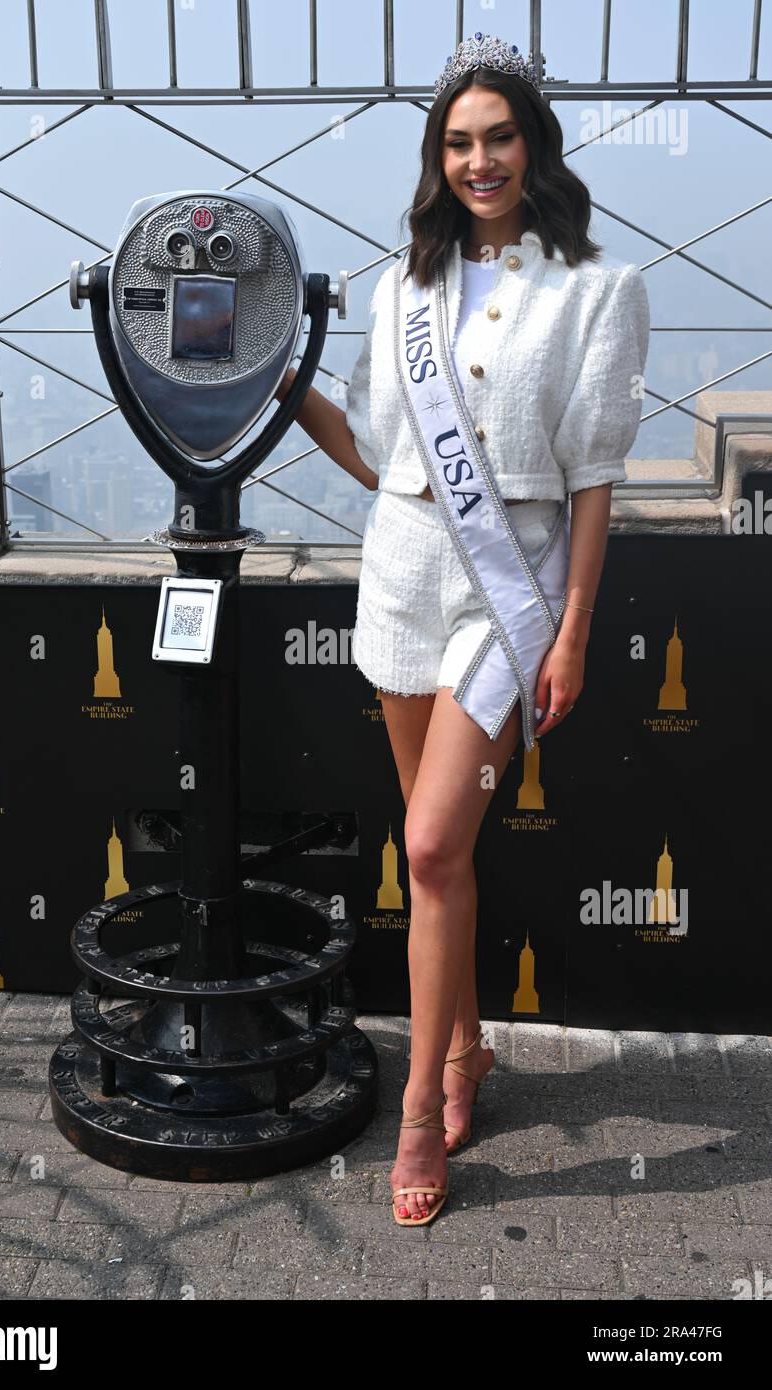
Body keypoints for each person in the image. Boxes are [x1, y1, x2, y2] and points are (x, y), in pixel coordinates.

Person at [275, 33, 650, 1226]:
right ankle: (463, 1049)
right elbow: (382, 453)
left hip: (510, 590)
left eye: (496, 136)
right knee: (438, 860)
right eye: (455, 141)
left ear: (530, 144)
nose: (477, 159)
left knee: (431, 849)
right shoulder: (401, 287)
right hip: (398, 574)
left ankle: (420, 1118)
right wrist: (275, 386)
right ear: (436, 160)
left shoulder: (597, 289)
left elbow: (591, 474)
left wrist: (575, 626)